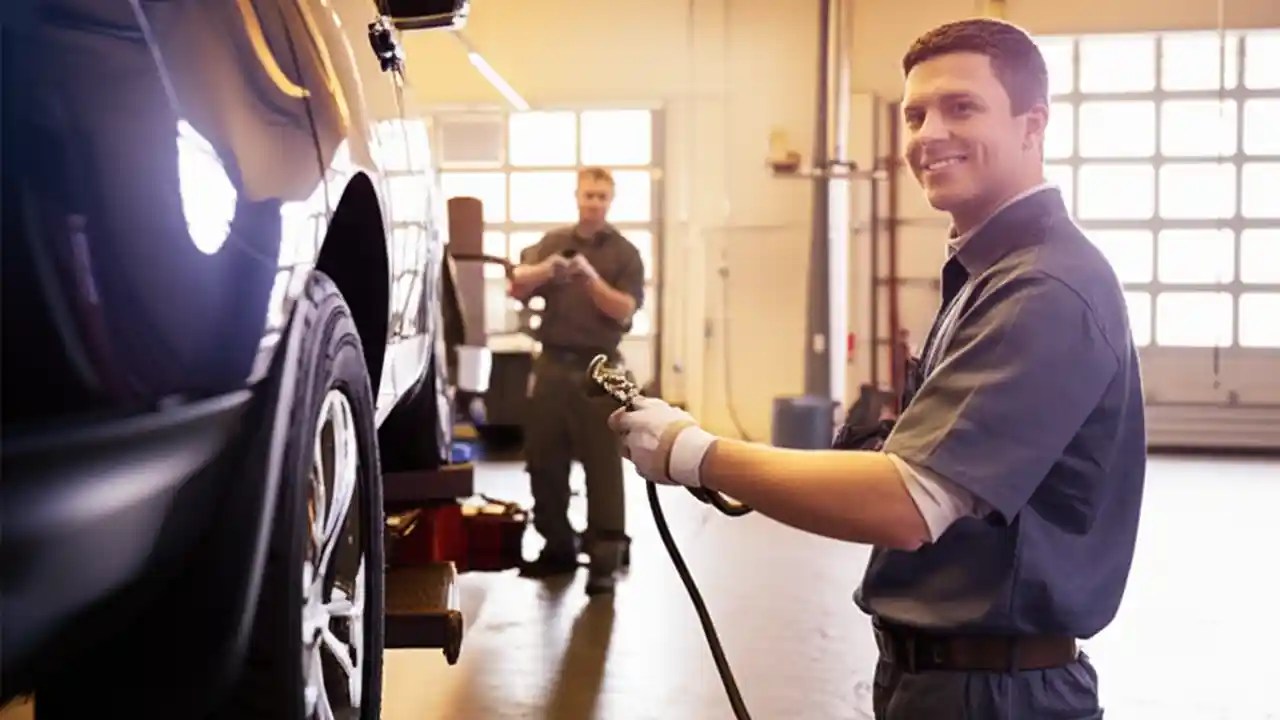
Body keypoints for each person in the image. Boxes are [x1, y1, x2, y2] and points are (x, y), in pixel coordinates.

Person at [609, 18, 1146, 719]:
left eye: (962, 107)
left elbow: (906, 504)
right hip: (946, 679)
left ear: (1031, 124)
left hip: (997, 696)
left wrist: (694, 453)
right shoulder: (988, 275)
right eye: (915, 113)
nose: (928, 134)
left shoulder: (1043, 289)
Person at [509, 167, 646, 596]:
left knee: (602, 467)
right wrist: (548, 269)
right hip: (551, 364)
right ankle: (558, 548)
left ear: (611, 200)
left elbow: (623, 309)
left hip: (600, 368)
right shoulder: (552, 243)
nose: (594, 203)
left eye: (602, 196)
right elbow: (516, 286)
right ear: (577, 196)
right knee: (543, 460)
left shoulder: (625, 254)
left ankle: (604, 558)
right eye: (589, 195)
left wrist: (589, 278)